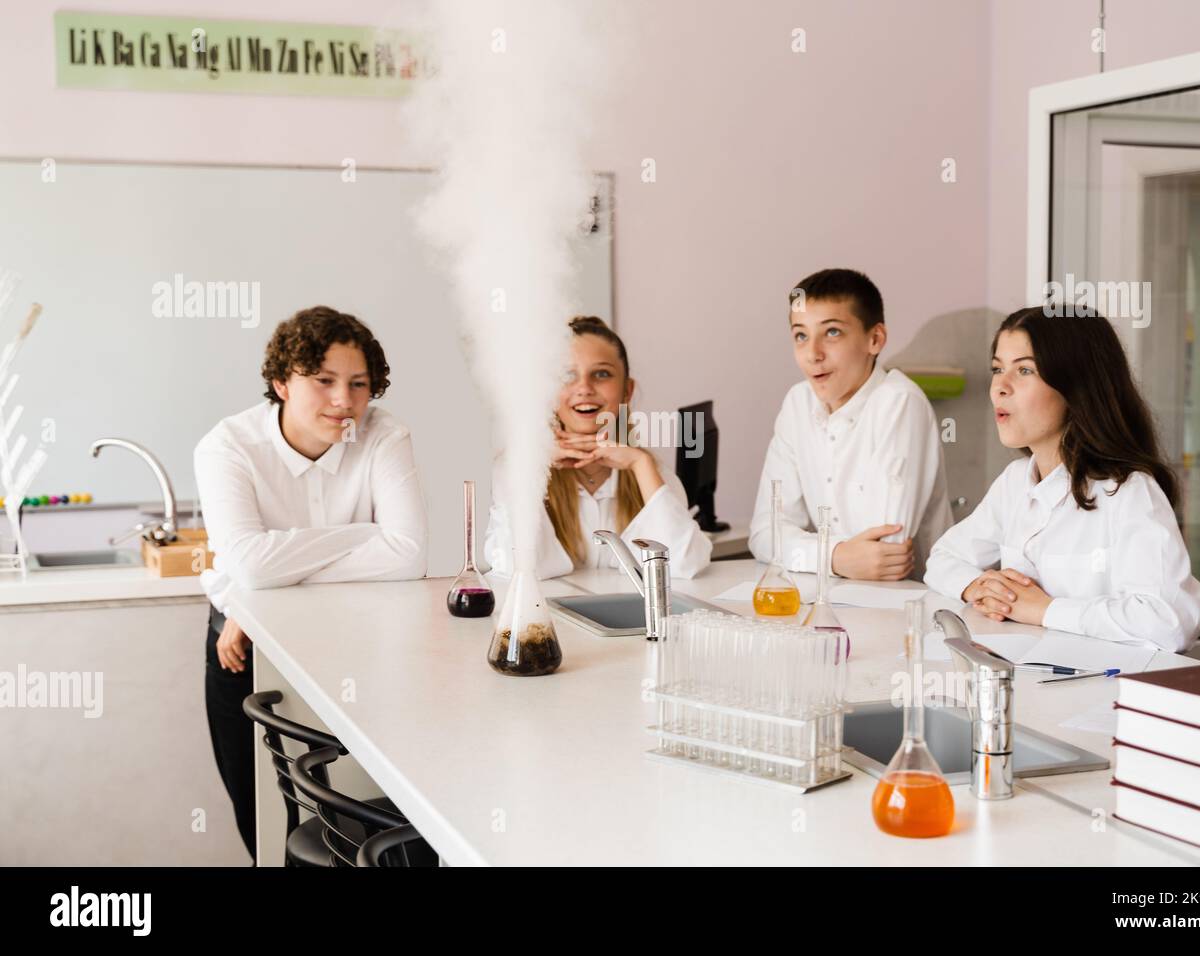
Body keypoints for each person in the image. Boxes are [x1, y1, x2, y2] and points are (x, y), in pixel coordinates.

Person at [193, 306, 428, 860]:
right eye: (323, 381)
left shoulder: (385, 435)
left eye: (358, 384)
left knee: (361, 820)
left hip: (360, 648)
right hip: (244, 650)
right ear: (281, 382)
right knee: (267, 829)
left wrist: (254, 592)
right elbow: (249, 565)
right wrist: (361, 534)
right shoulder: (227, 447)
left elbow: (409, 556)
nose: (344, 401)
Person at [923, 306, 1200, 653]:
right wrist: (977, 586)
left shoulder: (1129, 492)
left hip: (1102, 696)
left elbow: (1169, 624)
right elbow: (942, 558)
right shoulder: (1016, 482)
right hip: (1029, 682)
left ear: (1076, 386)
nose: (999, 388)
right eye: (998, 369)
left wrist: (1046, 610)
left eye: (1024, 370)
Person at [749, 268, 951, 580]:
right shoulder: (798, 403)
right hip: (839, 598)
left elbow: (885, 554)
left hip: (908, 605)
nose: (813, 354)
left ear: (875, 339)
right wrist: (835, 557)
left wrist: (809, 552)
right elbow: (764, 533)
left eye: (831, 333)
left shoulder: (899, 402)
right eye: (801, 335)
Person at [484, 316, 711, 579]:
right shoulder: (515, 468)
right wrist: (533, 467)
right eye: (567, 375)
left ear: (627, 391)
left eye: (601, 374)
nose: (584, 388)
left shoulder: (651, 472)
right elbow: (516, 567)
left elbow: (684, 563)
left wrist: (641, 464)